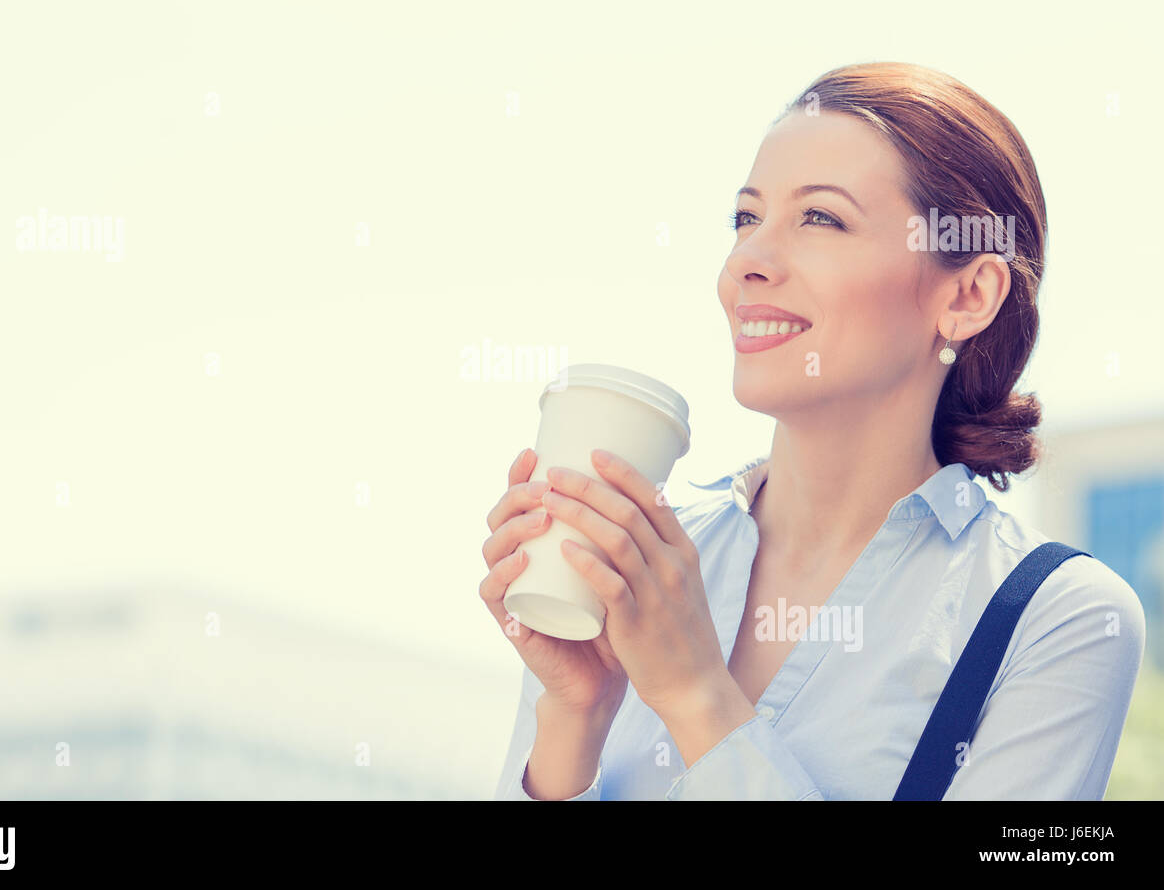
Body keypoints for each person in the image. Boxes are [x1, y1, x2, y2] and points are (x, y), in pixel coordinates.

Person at [478, 62, 1146, 800]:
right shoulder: (637, 567)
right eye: (745, 218)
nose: (747, 264)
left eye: (820, 218)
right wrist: (573, 720)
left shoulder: (1057, 618)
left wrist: (697, 695)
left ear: (967, 294)